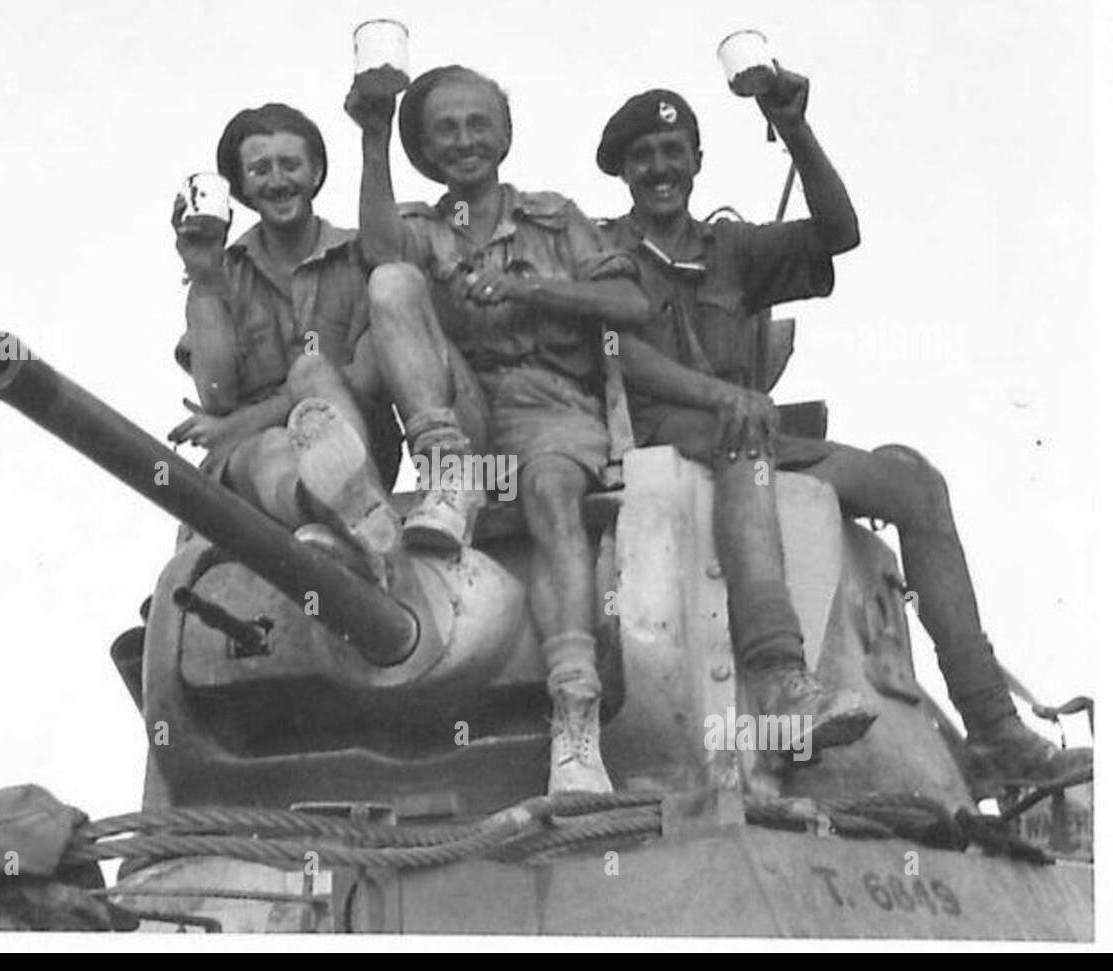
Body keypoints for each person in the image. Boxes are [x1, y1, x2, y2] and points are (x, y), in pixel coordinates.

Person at [595, 77, 1090, 786]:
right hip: (662, 441)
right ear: (621, 169)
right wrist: (722, 394)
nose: (659, 168)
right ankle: (779, 679)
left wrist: (792, 126)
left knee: (915, 485)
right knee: (747, 447)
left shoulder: (731, 247)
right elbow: (618, 352)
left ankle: (994, 727)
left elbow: (839, 232)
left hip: (751, 433)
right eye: (641, 155)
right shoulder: (602, 246)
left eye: (673, 150)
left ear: (698, 160)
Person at [345, 65, 651, 793]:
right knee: (392, 284)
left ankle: (574, 720)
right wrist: (374, 139)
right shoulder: (423, 226)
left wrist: (528, 287)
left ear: (506, 135)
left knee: (550, 493)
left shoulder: (552, 216)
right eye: (444, 129)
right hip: (463, 409)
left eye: (478, 124)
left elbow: (629, 303)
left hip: (551, 405)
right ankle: (450, 474)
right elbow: (380, 256)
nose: (464, 140)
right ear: (426, 145)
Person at [167, 103, 402, 582]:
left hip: (359, 444)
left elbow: (364, 377)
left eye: (290, 165)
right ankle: (334, 516)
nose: (277, 181)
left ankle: (348, 506)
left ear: (315, 173)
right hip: (251, 467)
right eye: (259, 169)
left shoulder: (361, 257)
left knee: (312, 372)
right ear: (240, 186)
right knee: (272, 446)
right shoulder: (222, 274)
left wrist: (236, 424)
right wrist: (205, 276)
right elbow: (217, 394)